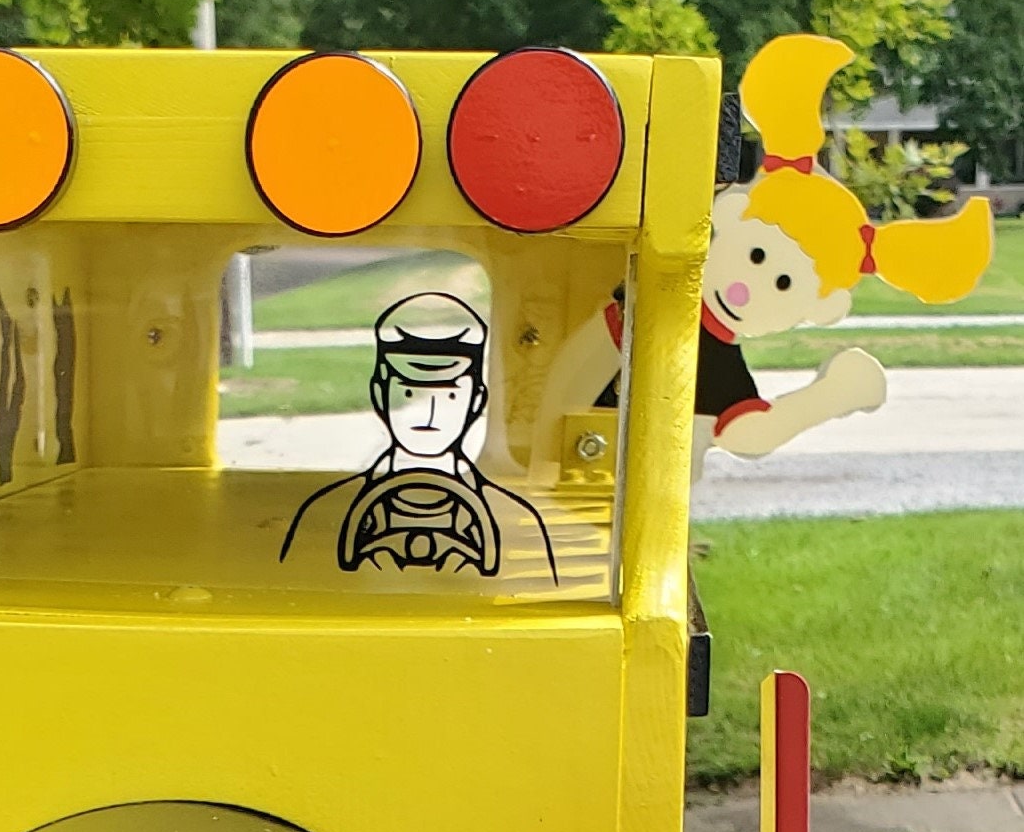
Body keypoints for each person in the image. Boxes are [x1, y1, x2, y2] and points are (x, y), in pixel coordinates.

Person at [533, 33, 992, 474]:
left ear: (823, 306)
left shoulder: (705, 352)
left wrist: (828, 398)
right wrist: (830, 398)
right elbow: (580, 374)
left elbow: (746, 432)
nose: (744, 289)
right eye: (755, 257)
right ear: (731, 215)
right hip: (578, 468)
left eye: (783, 283)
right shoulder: (657, 315)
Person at [280, 290, 557, 583]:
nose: (431, 414)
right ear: (379, 393)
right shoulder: (321, 513)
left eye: (450, 395)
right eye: (409, 392)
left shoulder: (519, 519)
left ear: (476, 400)